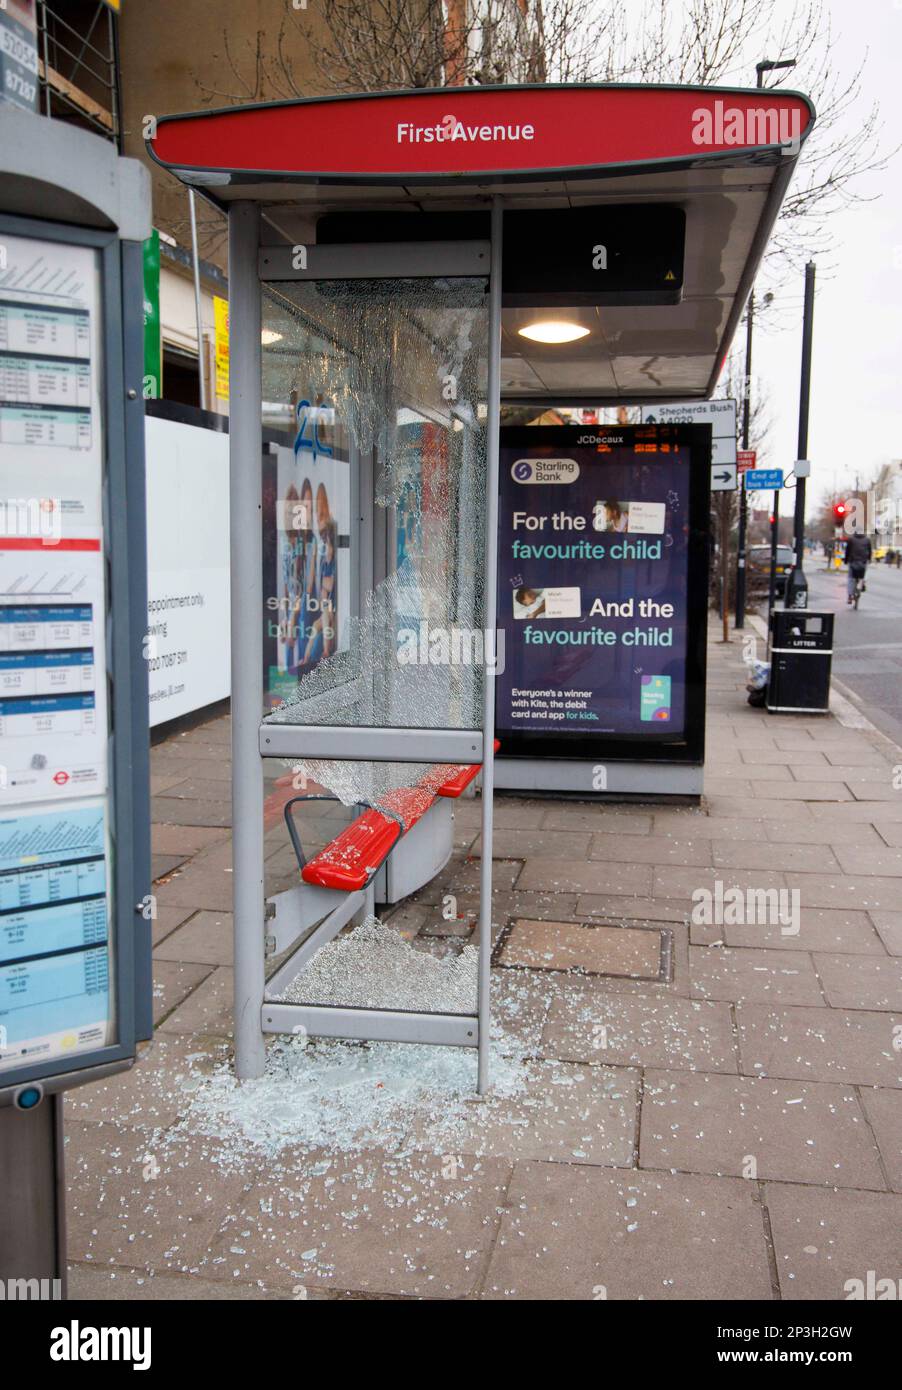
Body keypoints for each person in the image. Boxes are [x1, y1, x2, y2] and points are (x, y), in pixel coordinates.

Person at [845, 530, 872, 603]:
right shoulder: (867, 540)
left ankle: (850, 596)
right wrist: (869, 559)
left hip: (853, 561)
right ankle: (863, 583)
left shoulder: (851, 539)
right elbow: (870, 551)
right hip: (863, 561)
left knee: (851, 578)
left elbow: (847, 551)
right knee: (864, 573)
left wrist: (846, 560)